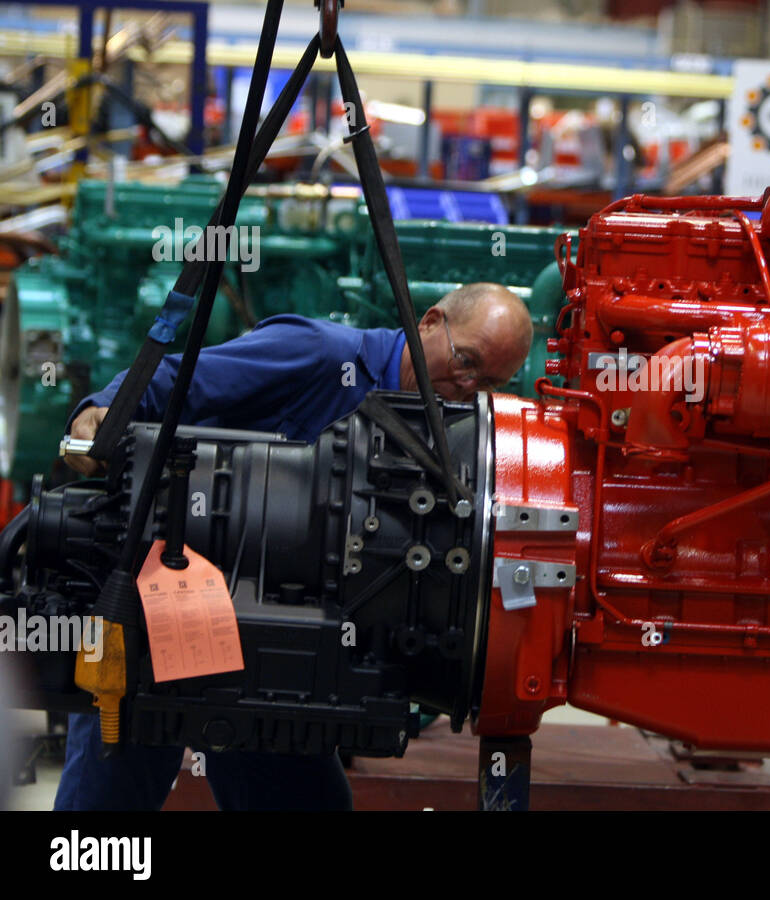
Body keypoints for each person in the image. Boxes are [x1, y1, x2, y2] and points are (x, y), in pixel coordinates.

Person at [54, 283, 532, 810]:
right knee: (108, 802)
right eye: (466, 361)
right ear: (429, 322)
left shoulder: (446, 438)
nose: (467, 387)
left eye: (490, 383)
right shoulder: (319, 354)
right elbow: (172, 381)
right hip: (162, 596)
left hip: (270, 649)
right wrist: (99, 411)